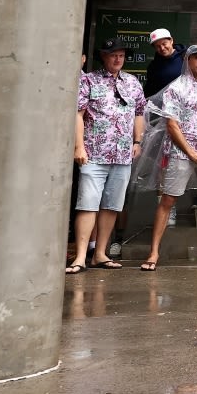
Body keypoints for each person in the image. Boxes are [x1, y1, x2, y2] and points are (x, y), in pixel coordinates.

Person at [142, 44, 197, 271]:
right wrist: (190, 151)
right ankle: (153, 253)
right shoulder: (176, 88)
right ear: (188, 60)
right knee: (169, 198)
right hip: (182, 151)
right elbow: (171, 123)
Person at [68, 38, 147, 273]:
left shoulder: (132, 82)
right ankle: (81, 256)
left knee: (112, 205)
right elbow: (78, 114)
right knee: (88, 204)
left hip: (122, 155)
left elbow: (139, 112)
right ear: (104, 56)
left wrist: (137, 140)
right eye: (113, 54)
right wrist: (78, 147)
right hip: (95, 153)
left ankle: (100, 254)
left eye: (121, 55)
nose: (118, 58)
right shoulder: (89, 80)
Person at [144, 27, 185, 97]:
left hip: (185, 105)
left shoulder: (186, 57)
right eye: (158, 46)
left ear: (171, 41)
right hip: (161, 106)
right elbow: (149, 90)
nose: (162, 48)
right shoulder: (153, 66)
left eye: (164, 43)